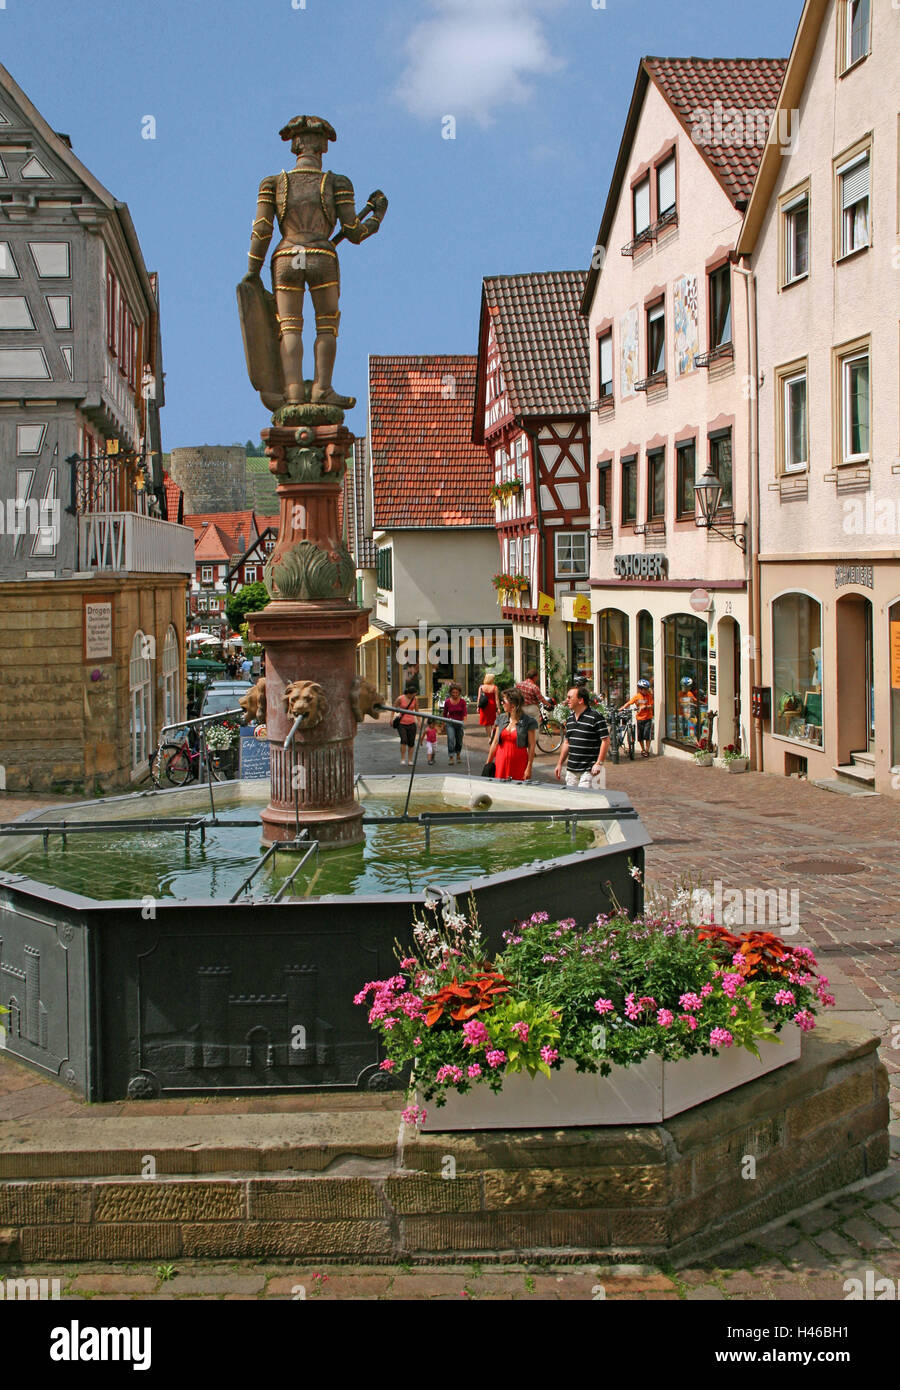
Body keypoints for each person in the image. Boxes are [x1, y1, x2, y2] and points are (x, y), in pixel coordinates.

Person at [555, 685, 610, 789]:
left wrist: (599, 763)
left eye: (570, 697)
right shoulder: (570, 719)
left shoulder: (595, 717)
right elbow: (567, 742)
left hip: (589, 771)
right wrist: (559, 763)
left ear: (580, 700)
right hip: (571, 770)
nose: (567, 700)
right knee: (572, 801)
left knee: (585, 802)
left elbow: (605, 740)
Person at [485, 688, 537, 781]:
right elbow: (495, 743)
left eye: (503, 701)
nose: (501, 703)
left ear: (513, 704)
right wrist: (487, 764)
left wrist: (529, 767)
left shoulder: (528, 721)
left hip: (519, 762)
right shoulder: (501, 719)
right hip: (501, 761)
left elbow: (531, 745)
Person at [621, 678, 654, 758]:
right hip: (640, 718)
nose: (646, 691)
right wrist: (622, 708)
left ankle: (647, 750)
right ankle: (642, 749)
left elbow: (651, 705)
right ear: (640, 689)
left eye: (647, 689)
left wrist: (645, 706)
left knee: (647, 734)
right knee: (640, 735)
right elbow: (629, 702)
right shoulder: (637, 696)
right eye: (644, 689)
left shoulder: (649, 696)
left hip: (648, 718)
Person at [442, 683, 467, 765]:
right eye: (453, 692)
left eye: (456, 693)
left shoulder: (462, 702)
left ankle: (458, 754)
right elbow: (445, 714)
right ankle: (451, 757)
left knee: (459, 741)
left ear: (459, 693)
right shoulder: (447, 702)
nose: (455, 694)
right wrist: (443, 724)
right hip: (450, 723)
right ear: (450, 693)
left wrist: (464, 723)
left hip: (459, 723)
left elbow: (465, 714)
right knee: (451, 739)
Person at [395, 680, 418, 766]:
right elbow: (394, 708)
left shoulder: (415, 699)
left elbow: (417, 710)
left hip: (411, 722)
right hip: (402, 722)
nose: (415, 695)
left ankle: (410, 759)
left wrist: (418, 721)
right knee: (404, 740)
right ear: (410, 693)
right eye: (414, 694)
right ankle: (403, 758)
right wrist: (391, 718)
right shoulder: (400, 698)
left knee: (411, 742)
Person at [476, 671, 498, 737]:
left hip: (484, 705)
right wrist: (498, 708)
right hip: (492, 705)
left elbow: (479, 698)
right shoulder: (495, 687)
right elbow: (497, 699)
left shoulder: (481, 687)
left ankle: (490, 737)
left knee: (486, 723)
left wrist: (478, 707)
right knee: (492, 721)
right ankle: (493, 736)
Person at [679, 676, 699, 740]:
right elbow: (678, 703)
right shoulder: (679, 694)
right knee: (681, 729)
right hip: (681, 715)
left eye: (688, 687)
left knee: (690, 728)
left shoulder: (689, 693)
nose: (686, 688)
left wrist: (694, 703)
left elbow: (695, 701)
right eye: (684, 687)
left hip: (689, 715)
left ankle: (690, 738)